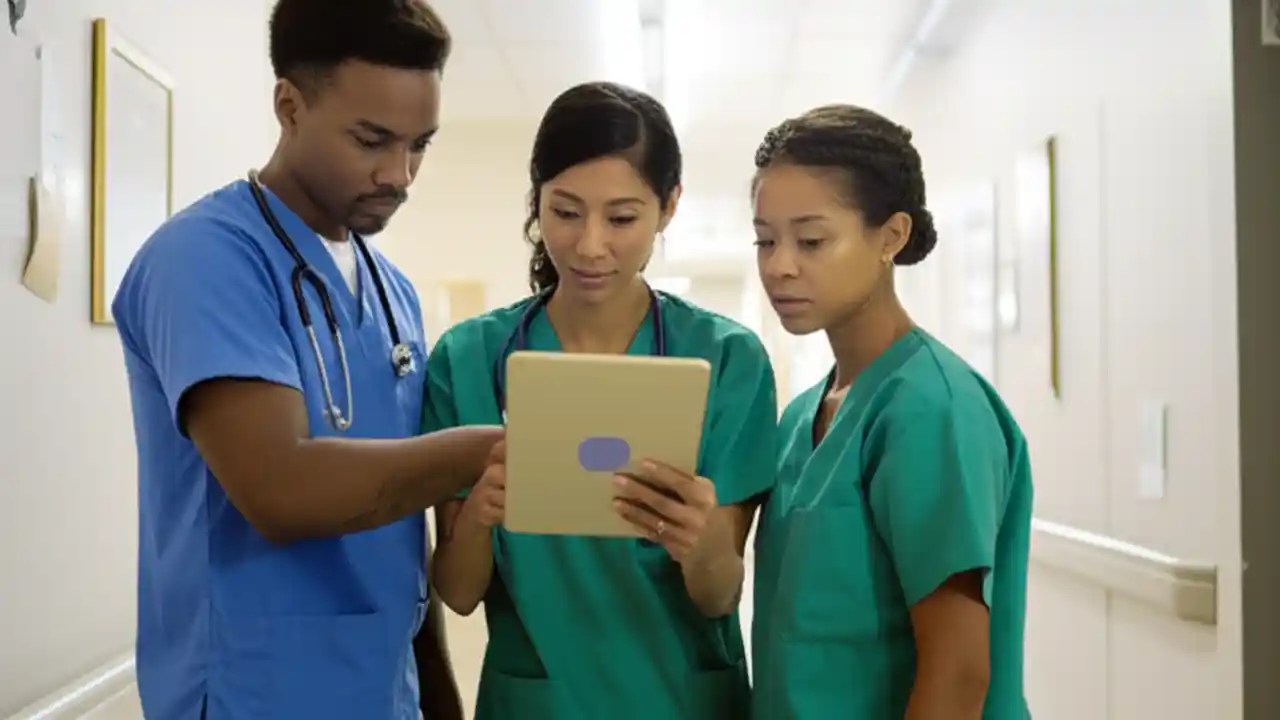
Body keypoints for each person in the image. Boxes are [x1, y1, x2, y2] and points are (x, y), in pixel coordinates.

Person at [110, 2, 501, 717]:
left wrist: (438, 700)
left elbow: (397, 514)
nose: (401, 174)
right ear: (289, 105)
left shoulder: (394, 294)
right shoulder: (205, 259)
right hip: (248, 694)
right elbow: (280, 490)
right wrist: (489, 451)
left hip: (383, 695)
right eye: (372, 140)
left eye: (421, 144)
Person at [417, 81, 779, 719]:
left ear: (669, 207)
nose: (589, 245)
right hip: (539, 702)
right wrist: (479, 514)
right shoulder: (468, 360)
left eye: (621, 217)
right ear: (536, 200)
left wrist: (699, 540)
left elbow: (720, 594)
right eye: (564, 211)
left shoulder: (727, 360)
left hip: (683, 701)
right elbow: (459, 592)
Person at [748, 105, 1033, 719]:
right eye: (766, 240)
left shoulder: (932, 409)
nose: (780, 265)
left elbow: (957, 673)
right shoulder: (803, 416)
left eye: (812, 239)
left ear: (891, 237)